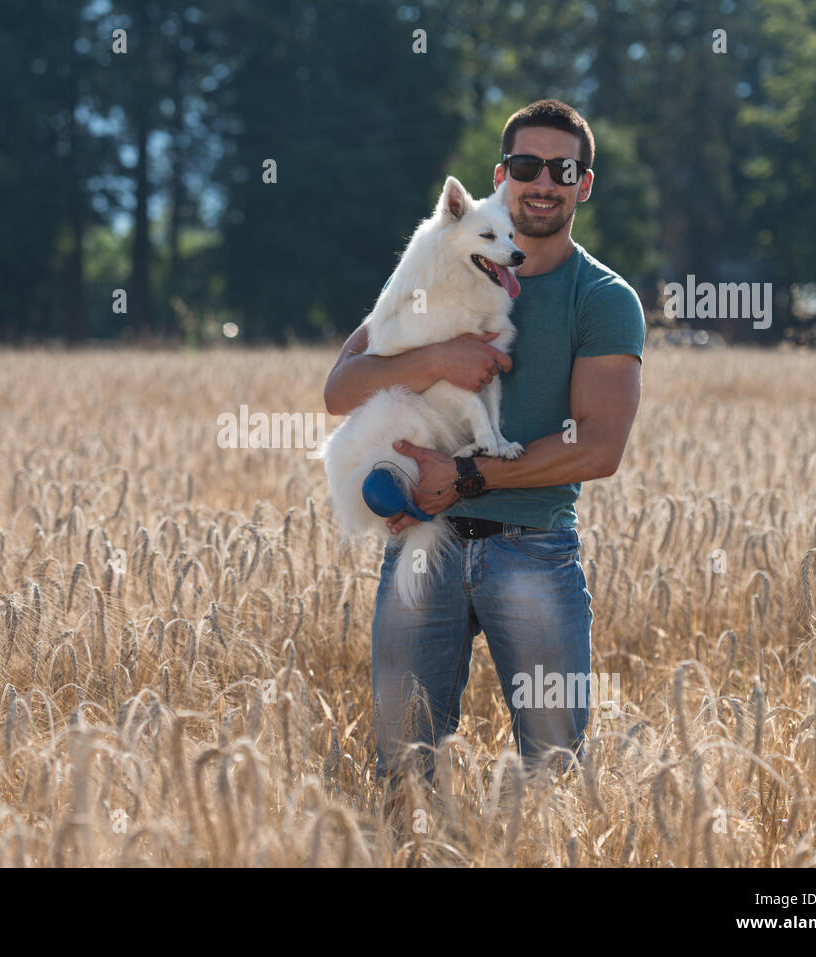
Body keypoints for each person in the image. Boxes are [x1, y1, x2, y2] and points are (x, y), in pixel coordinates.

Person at [322, 99, 645, 796]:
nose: (543, 182)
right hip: (421, 544)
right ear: (502, 175)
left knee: (553, 777)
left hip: (532, 549)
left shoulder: (604, 299)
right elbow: (341, 388)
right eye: (527, 165)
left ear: (584, 183)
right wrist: (439, 355)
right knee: (399, 775)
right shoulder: (440, 266)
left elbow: (600, 448)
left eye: (563, 169)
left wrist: (461, 475)